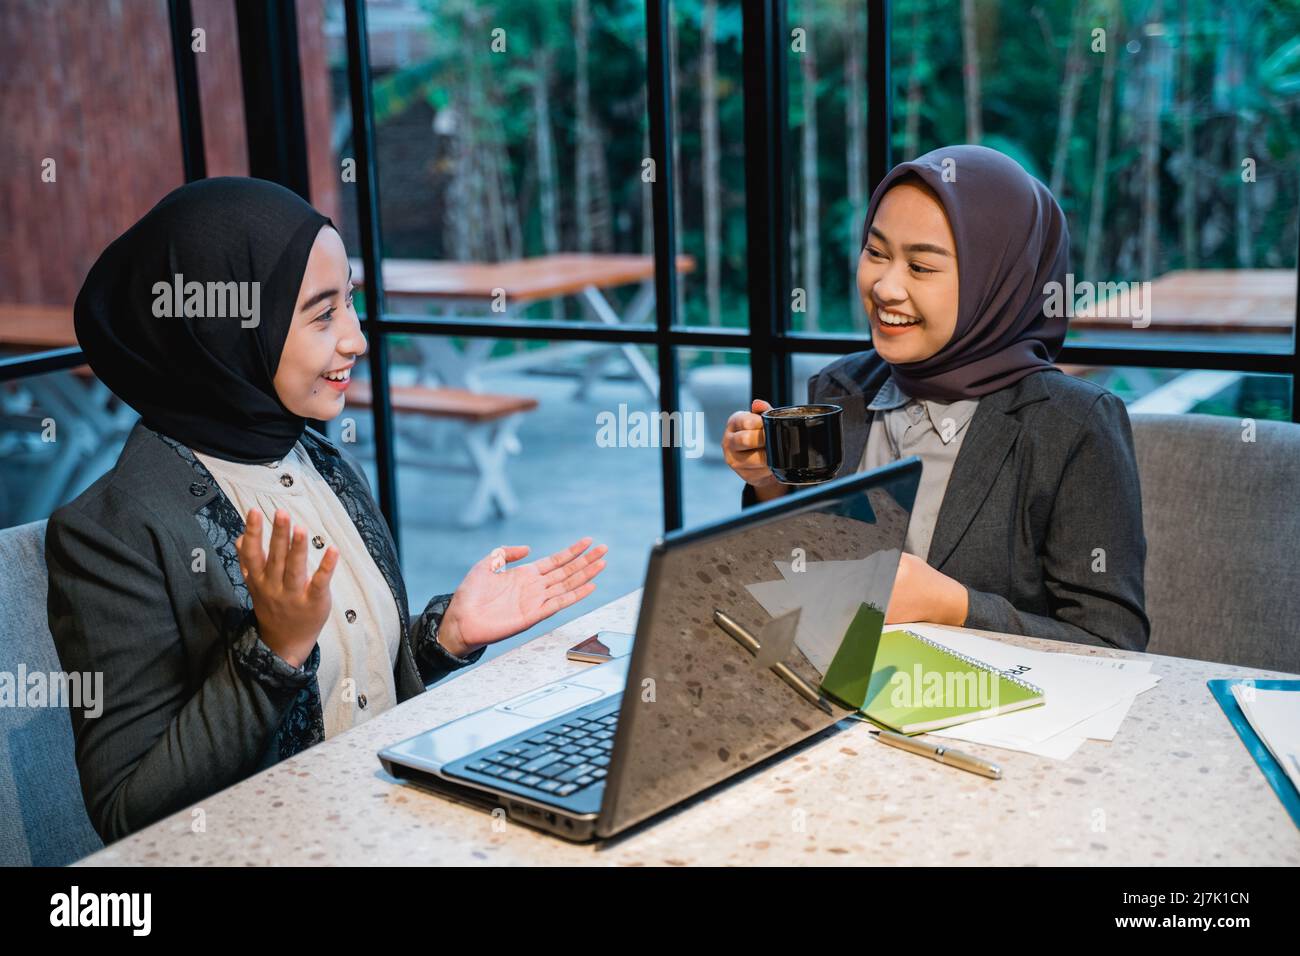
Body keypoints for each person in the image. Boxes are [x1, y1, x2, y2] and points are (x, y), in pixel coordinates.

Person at [46, 177, 607, 842]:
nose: (357, 339)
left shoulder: (325, 463)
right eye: (321, 315)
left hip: (388, 829)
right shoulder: (111, 531)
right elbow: (128, 813)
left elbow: (349, 698)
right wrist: (274, 651)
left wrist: (447, 634)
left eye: (351, 303)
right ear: (222, 328)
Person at [722, 145, 1149, 651]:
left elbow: (1111, 644)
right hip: (832, 683)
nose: (886, 287)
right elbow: (797, 569)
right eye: (876, 253)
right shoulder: (840, 388)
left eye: (921, 267)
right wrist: (769, 485)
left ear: (998, 285)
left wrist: (955, 607)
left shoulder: (1072, 424)